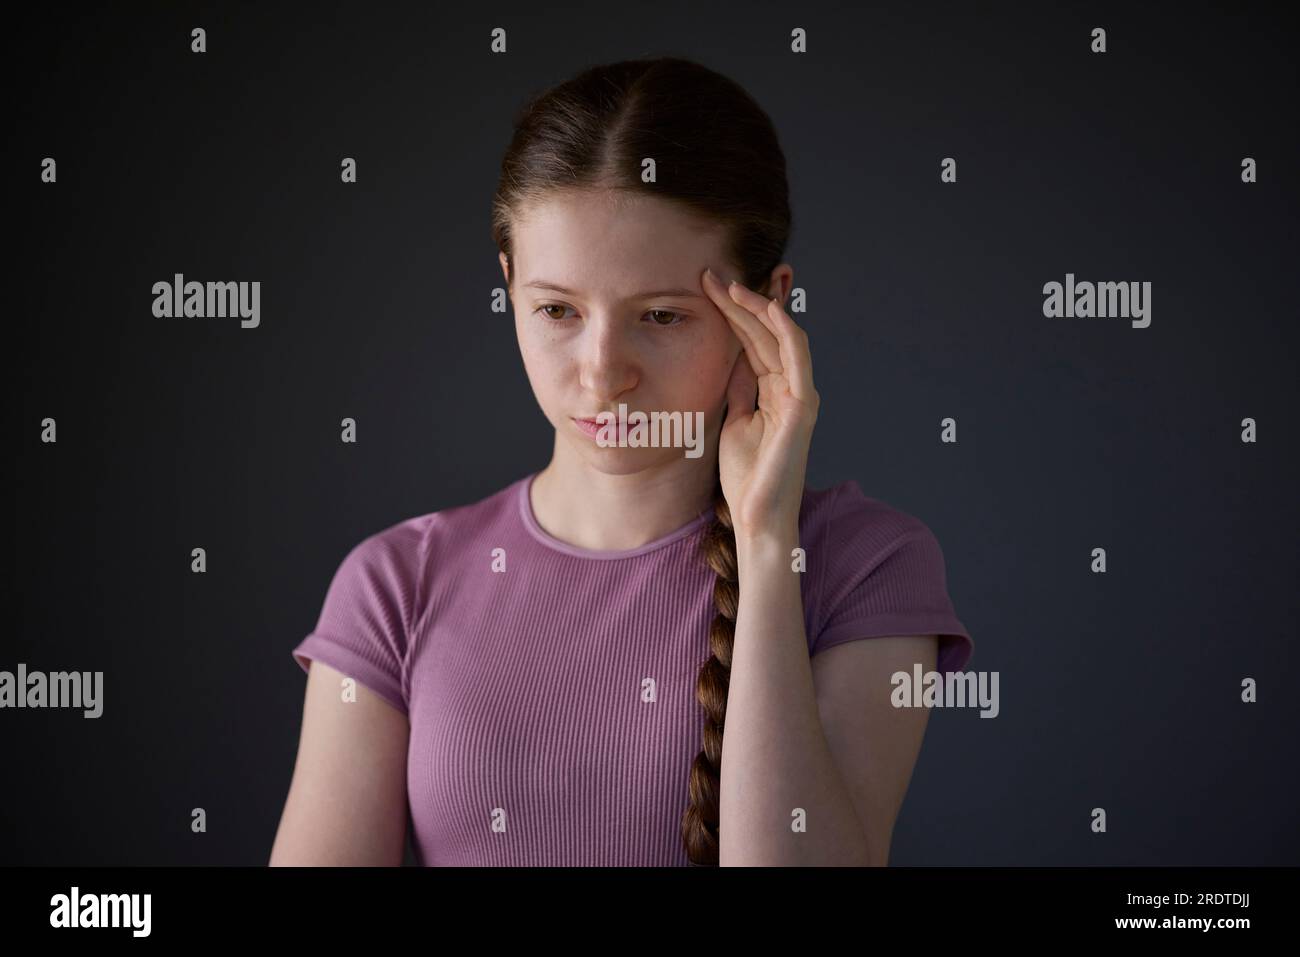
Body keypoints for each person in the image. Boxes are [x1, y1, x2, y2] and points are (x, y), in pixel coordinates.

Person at [270, 55, 973, 867]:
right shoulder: (395, 584)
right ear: (508, 288)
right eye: (558, 309)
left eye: (663, 315)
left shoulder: (867, 567)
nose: (603, 371)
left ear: (769, 309)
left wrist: (768, 540)